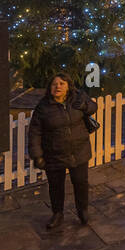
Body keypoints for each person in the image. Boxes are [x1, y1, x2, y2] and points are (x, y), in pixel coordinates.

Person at [29, 72, 98, 229]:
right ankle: (57, 214)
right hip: (54, 154)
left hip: (78, 151)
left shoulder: (78, 97)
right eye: (54, 84)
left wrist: (85, 106)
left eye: (61, 83)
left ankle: (82, 210)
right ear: (50, 88)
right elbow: (35, 132)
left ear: (68, 86)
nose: (58, 86)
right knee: (55, 186)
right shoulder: (43, 107)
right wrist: (37, 155)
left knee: (80, 183)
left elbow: (93, 107)